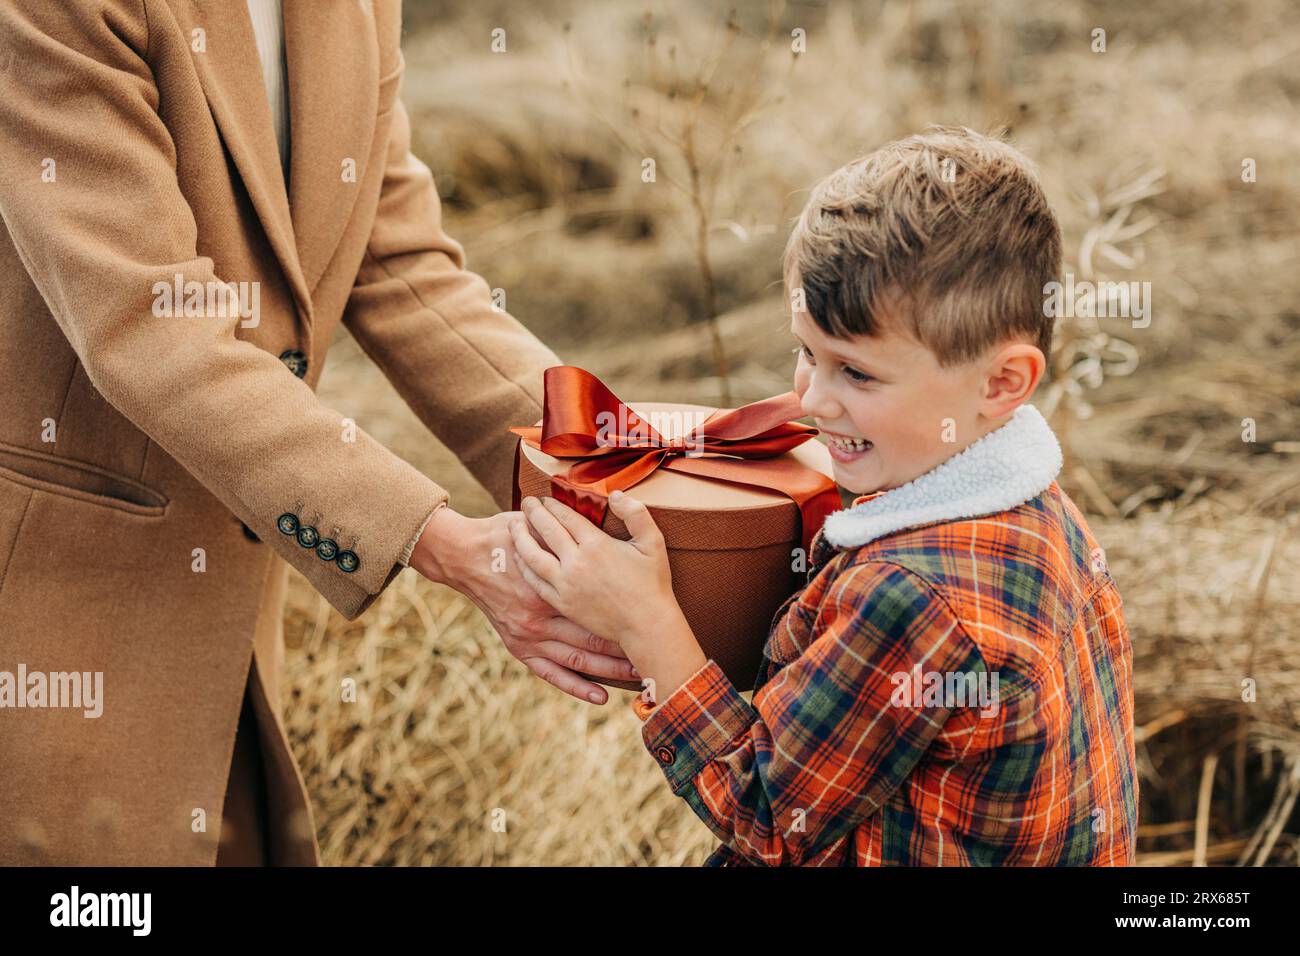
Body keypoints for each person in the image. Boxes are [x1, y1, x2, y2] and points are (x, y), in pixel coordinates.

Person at [0, 0, 630, 866]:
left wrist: (620, 467)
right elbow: (148, 325)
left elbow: (397, 263)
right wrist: (441, 543)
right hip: (58, 618)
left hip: (231, 629)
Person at [512, 127, 1139, 865]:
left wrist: (645, 621)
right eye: (806, 352)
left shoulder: (906, 598)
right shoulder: (1036, 511)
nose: (812, 398)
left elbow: (770, 815)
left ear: (1001, 383)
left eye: (858, 374)